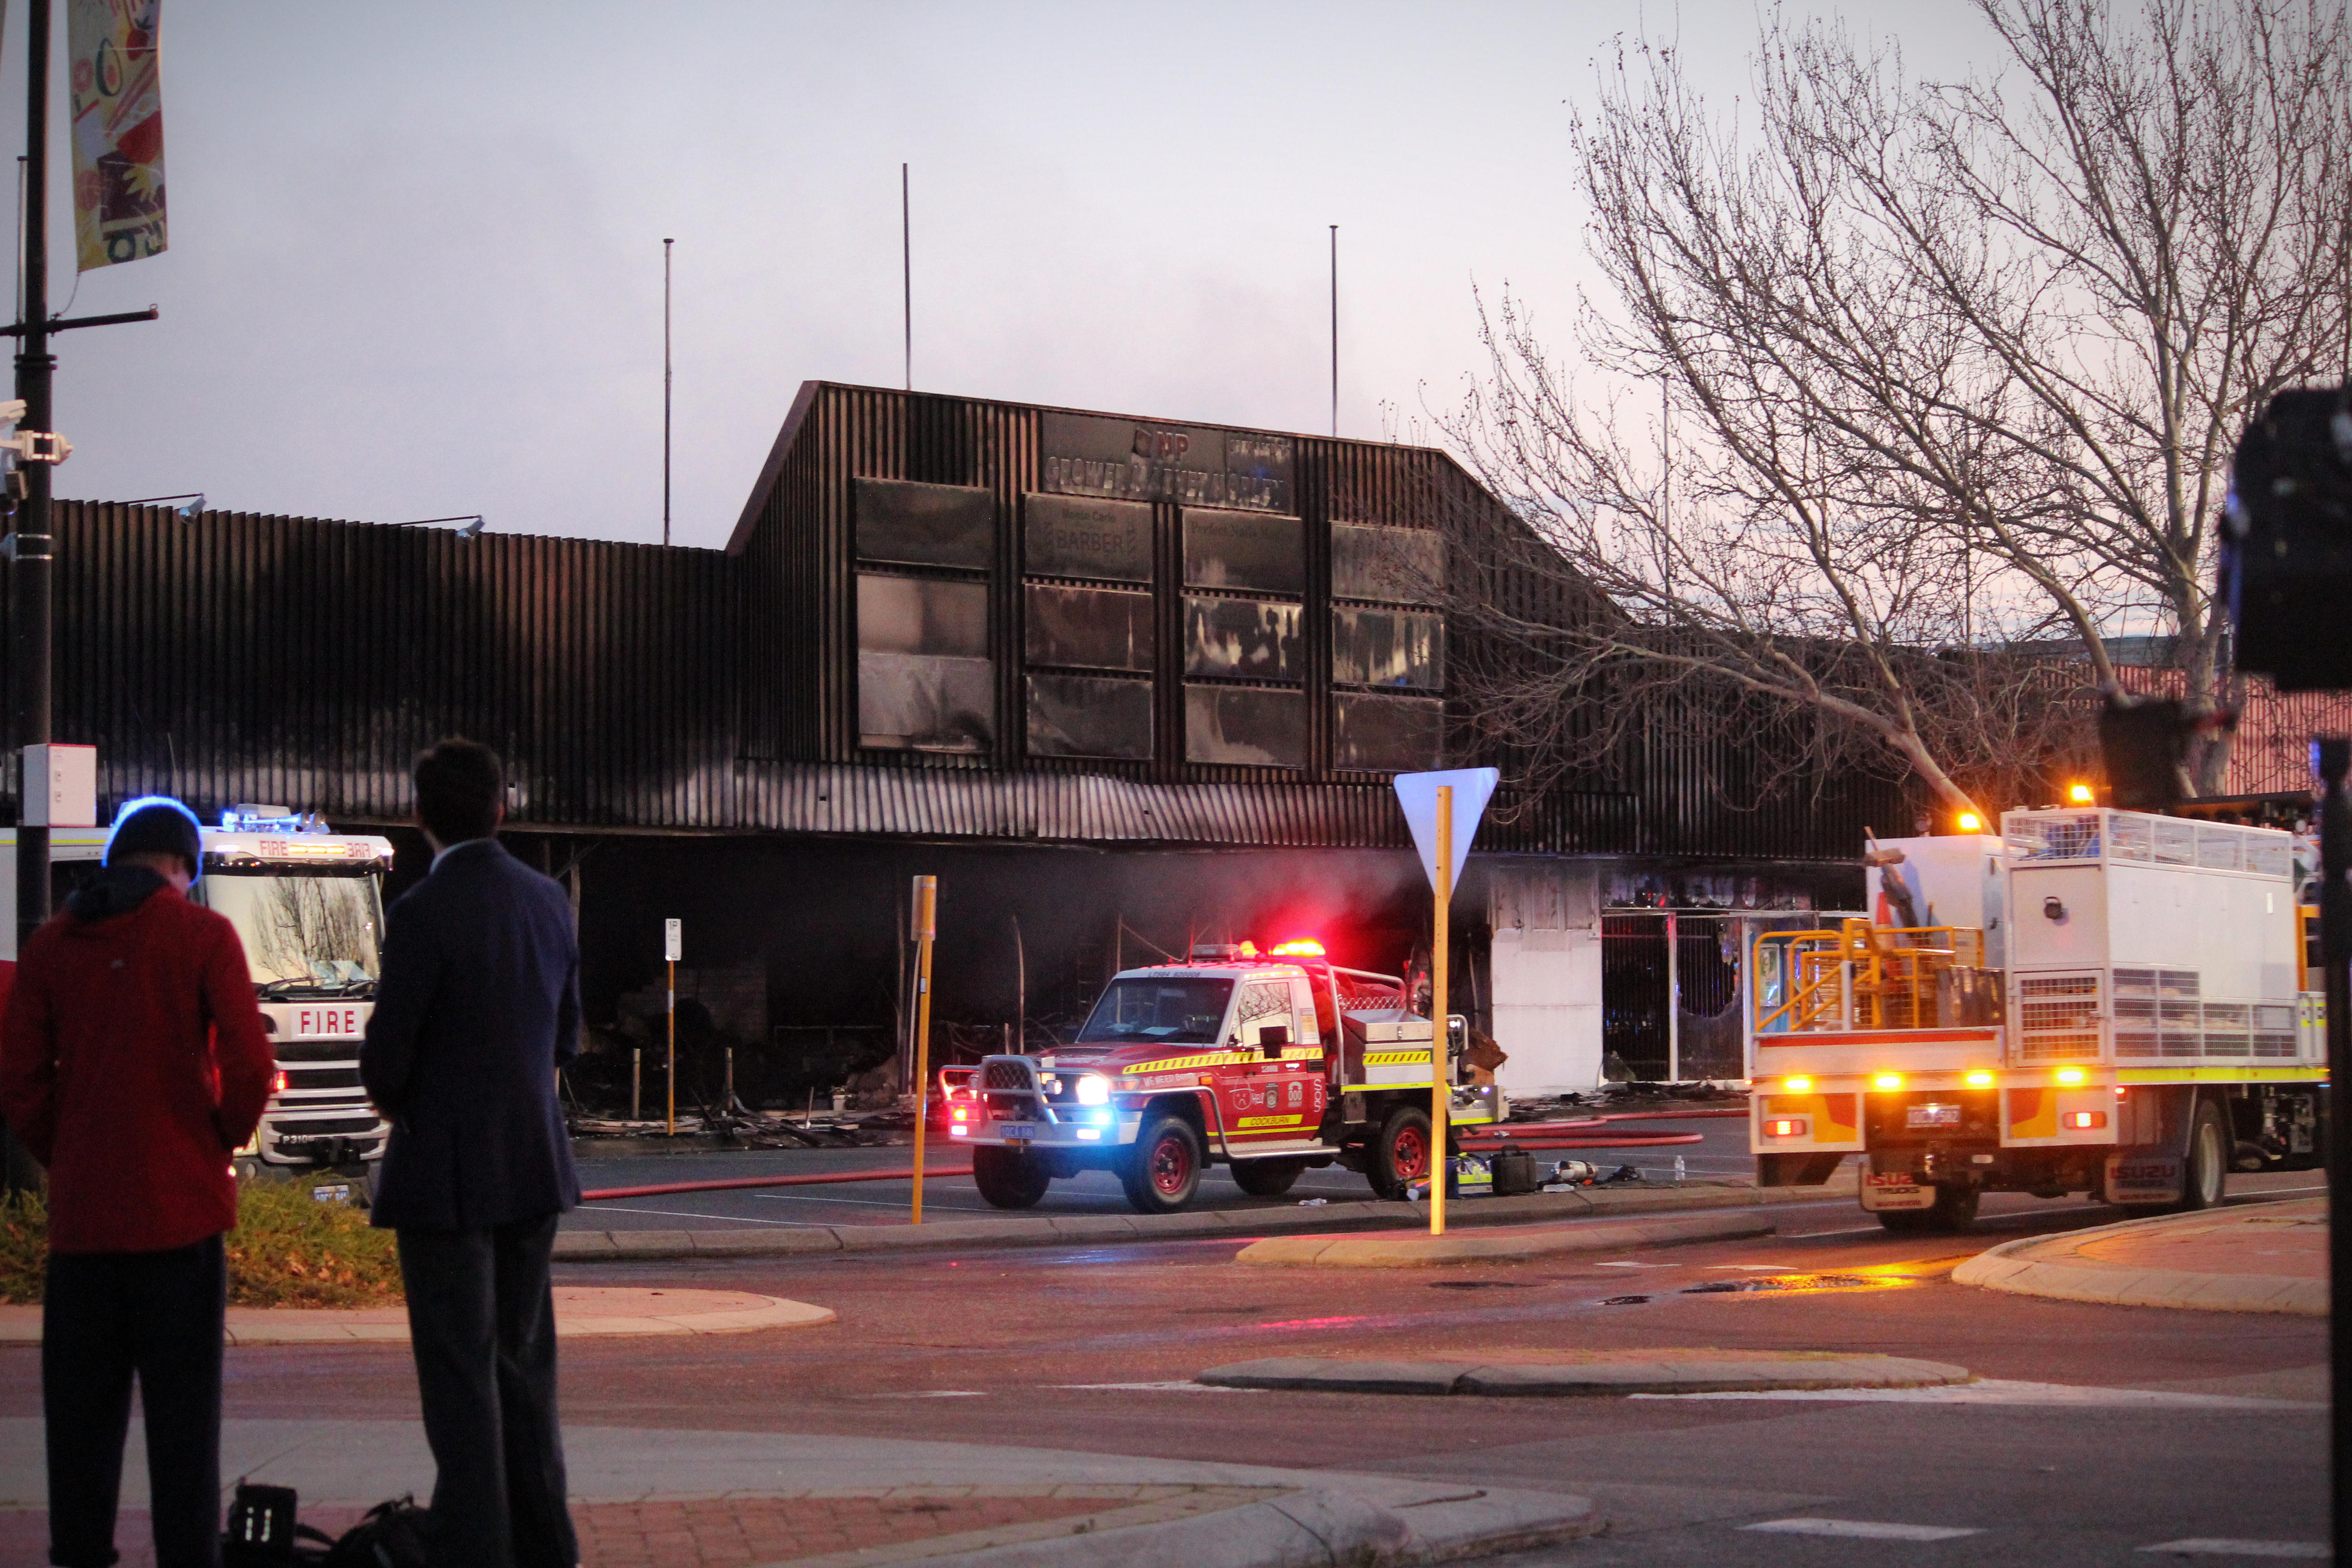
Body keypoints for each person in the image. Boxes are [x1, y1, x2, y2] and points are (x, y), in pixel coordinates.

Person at [0, 796, 274, 1568]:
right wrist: (213, 1138)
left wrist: (75, 1150)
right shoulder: (202, 935)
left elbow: (20, 1080)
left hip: (83, 1232)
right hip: (180, 1226)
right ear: (183, 867)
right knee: (185, 1437)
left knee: (80, 1438)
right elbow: (253, 1066)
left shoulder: (54, 944)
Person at [361, 738, 582, 1568]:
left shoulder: (421, 912)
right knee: (525, 1368)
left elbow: (388, 1060)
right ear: (501, 807)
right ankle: (546, 1545)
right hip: (532, 1163)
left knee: (460, 1378)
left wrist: (408, 1100)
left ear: (420, 815)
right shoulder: (548, 903)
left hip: (444, 1176)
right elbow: (565, 1037)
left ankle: (478, 1549)